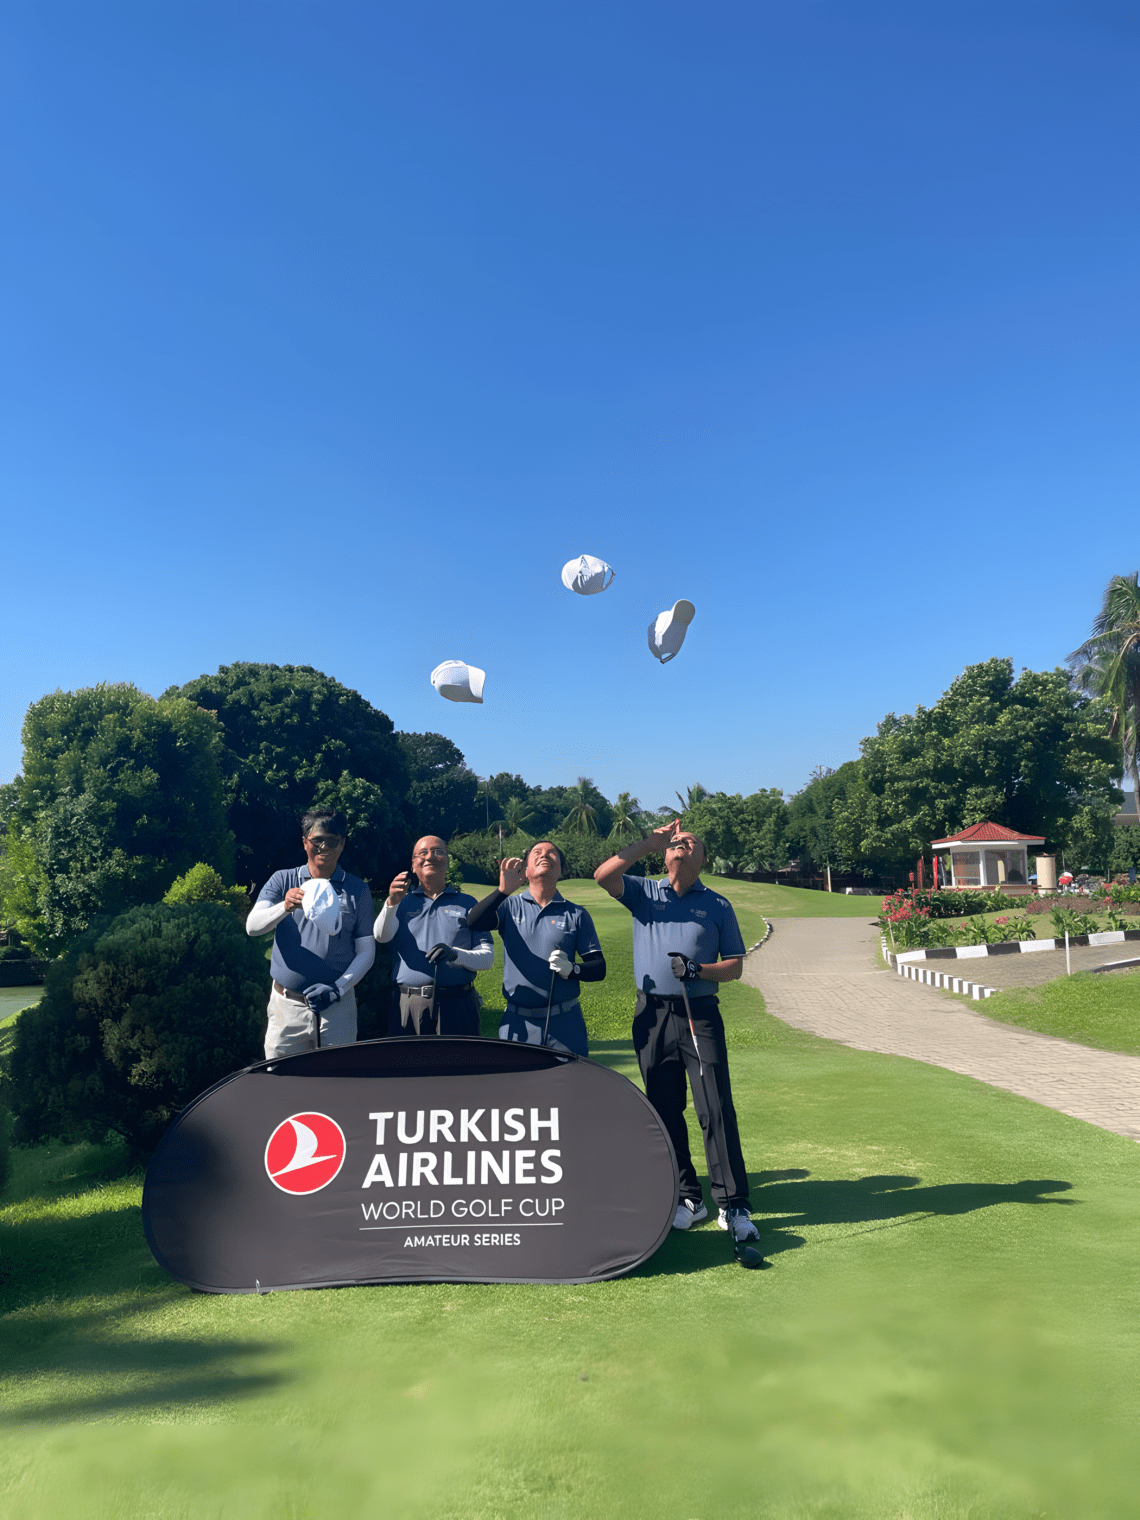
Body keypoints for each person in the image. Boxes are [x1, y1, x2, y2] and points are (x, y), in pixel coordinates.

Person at [593, 820, 759, 1247]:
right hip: (651, 1014)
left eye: (692, 844)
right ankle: (688, 1198)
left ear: (702, 860)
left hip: (697, 1014)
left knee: (714, 1107)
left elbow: (736, 966)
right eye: (675, 843)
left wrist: (699, 970)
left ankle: (733, 1204)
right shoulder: (646, 892)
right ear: (665, 856)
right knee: (664, 1110)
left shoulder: (718, 905)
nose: (682, 845)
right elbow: (603, 876)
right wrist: (647, 842)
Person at [246, 809, 376, 1059]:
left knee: (337, 1084)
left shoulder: (357, 889)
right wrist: (284, 907)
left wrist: (338, 988)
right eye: (317, 840)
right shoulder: (282, 880)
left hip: (338, 1007)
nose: (325, 846)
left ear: (342, 844)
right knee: (282, 1081)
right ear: (305, 842)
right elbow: (253, 927)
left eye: (333, 840)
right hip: (287, 1006)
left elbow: (366, 952)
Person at [466, 841, 606, 1057]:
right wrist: (503, 891)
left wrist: (573, 969)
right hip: (518, 1020)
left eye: (552, 853)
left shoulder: (577, 914)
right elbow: (474, 922)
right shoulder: (509, 906)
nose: (545, 855)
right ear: (526, 870)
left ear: (560, 870)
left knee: (567, 1089)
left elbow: (599, 968)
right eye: (537, 852)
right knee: (518, 1090)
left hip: (565, 1023)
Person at [373, 835, 493, 1036]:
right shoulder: (402, 902)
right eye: (422, 853)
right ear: (413, 865)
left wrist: (456, 954)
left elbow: (487, 959)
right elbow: (381, 936)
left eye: (438, 851)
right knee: (408, 1066)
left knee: (458, 1066)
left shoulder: (469, 903)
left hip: (458, 1003)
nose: (430, 856)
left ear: (447, 860)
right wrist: (392, 901)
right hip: (408, 1004)